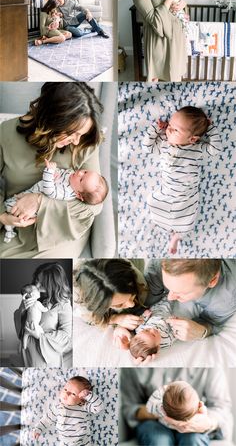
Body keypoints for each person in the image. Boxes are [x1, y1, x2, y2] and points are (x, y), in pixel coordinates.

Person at [0, 82, 105, 259]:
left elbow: (94, 206)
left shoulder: (85, 144)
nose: (77, 142)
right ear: (51, 121)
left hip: (59, 231)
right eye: (72, 133)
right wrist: (3, 216)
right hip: (15, 224)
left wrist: (41, 202)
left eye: (82, 134)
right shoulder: (5, 134)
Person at [142, 106, 221, 253]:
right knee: (153, 202)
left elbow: (215, 149)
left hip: (186, 197)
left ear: (192, 139)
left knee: (186, 222)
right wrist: (156, 128)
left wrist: (210, 128)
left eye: (175, 130)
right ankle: (168, 230)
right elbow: (147, 147)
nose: (169, 130)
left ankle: (176, 237)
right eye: (170, 125)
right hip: (166, 192)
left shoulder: (196, 149)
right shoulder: (164, 145)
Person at [120, 367, 233, 446]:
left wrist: (207, 422)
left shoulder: (209, 365)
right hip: (154, 422)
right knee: (158, 440)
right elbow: (129, 407)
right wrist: (155, 413)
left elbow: (220, 406)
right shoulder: (133, 368)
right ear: (199, 404)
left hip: (192, 423)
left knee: (193, 439)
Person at [3, 160, 108, 243]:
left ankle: (8, 230)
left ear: (79, 195)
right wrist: (56, 173)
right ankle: (9, 228)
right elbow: (62, 174)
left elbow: (50, 191)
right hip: (30, 193)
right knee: (12, 207)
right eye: (85, 172)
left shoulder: (67, 193)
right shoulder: (72, 177)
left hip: (31, 206)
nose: (80, 173)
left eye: (81, 179)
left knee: (10, 207)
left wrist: (50, 171)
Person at [145, 259, 236, 342]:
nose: (169, 298)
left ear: (212, 281)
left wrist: (202, 331)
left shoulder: (227, 297)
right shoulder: (160, 262)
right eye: (169, 287)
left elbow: (213, 323)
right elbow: (143, 299)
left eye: (181, 292)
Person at [131, 0, 187, 81]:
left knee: (175, 75)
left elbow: (176, 5)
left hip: (175, 35)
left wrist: (183, 3)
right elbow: (154, 21)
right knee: (154, 77)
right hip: (158, 38)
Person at [14, 262, 72, 367]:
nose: (37, 286)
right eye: (37, 280)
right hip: (26, 349)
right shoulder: (32, 294)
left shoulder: (64, 303)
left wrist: (40, 336)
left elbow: (66, 335)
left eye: (42, 284)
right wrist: (22, 308)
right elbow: (21, 320)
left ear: (53, 284)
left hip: (45, 353)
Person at [74, 258, 148, 329]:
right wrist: (116, 319)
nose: (132, 304)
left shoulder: (135, 278)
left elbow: (143, 300)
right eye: (119, 304)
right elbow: (90, 319)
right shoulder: (79, 297)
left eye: (132, 295)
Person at [33, 375, 103, 446]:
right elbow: (47, 419)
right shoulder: (58, 407)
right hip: (65, 442)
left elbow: (98, 407)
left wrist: (88, 396)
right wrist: (38, 428)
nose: (67, 393)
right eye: (65, 389)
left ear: (82, 399)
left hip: (82, 441)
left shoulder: (83, 406)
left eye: (73, 394)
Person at [20, 284, 48, 350]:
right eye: (37, 290)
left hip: (27, 324)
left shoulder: (28, 304)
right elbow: (44, 309)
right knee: (41, 331)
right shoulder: (37, 303)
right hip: (35, 325)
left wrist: (24, 298)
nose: (39, 291)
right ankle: (43, 344)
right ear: (32, 294)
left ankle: (24, 345)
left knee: (25, 335)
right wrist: (47, 307)